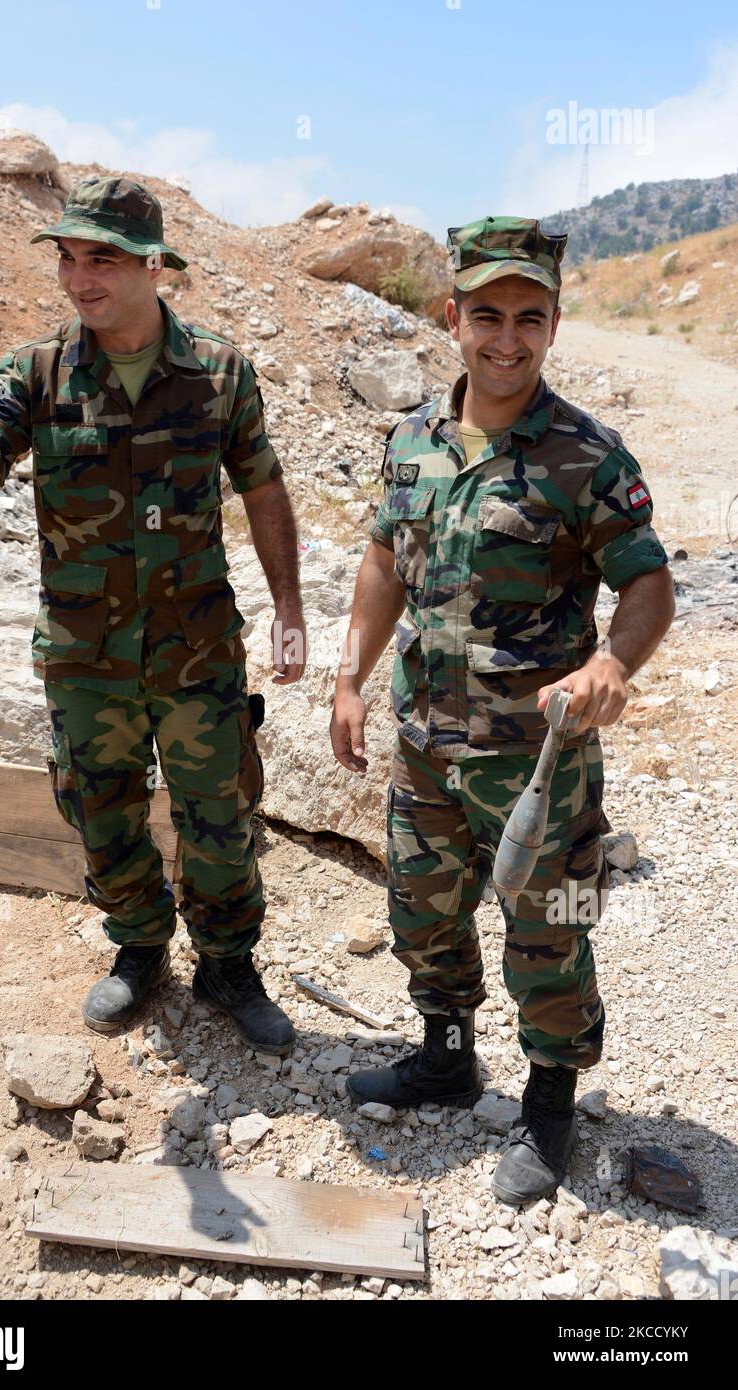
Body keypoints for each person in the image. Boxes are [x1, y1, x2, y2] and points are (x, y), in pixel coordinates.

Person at [0, 175, 305, 1055]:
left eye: (103, 259)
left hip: (197, 649)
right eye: (69, 258)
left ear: (154, 267)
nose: (80, 279)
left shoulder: (221, 374)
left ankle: (229, 965)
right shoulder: (36, 374)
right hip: (86, 653)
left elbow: (262, 485)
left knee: (219, 814)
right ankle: (139, 951)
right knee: (102, 810)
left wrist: (289, 605)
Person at [329, 216, 674, 1202]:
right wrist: (350, 679)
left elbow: (647, 586)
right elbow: (380, 563)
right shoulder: (410, 443)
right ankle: (444, 1057)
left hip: (536, 761)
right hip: (423, 743)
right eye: (487, 314)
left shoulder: (585, 457)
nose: (506, 337)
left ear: (554, 324)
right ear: (452, 318)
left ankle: (549, 1109)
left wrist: (613, 660)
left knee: (545, 932)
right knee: (422, 909)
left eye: (529, 317)